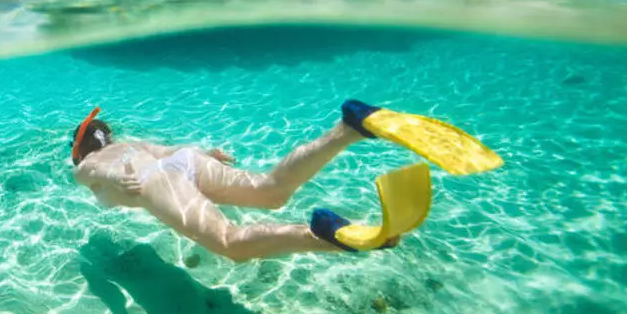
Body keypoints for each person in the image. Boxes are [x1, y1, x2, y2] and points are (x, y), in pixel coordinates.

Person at [70, 101, 399, 262]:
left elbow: (91, 173)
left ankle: (322, 237)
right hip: (184, 160)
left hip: (151, 179)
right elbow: (171, 151)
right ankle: (349, 129)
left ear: (81, 149)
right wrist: (205, 153)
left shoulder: (89, 161)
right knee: (271, 190)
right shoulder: (132, 144)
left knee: (231, 243)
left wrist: (116, 177)